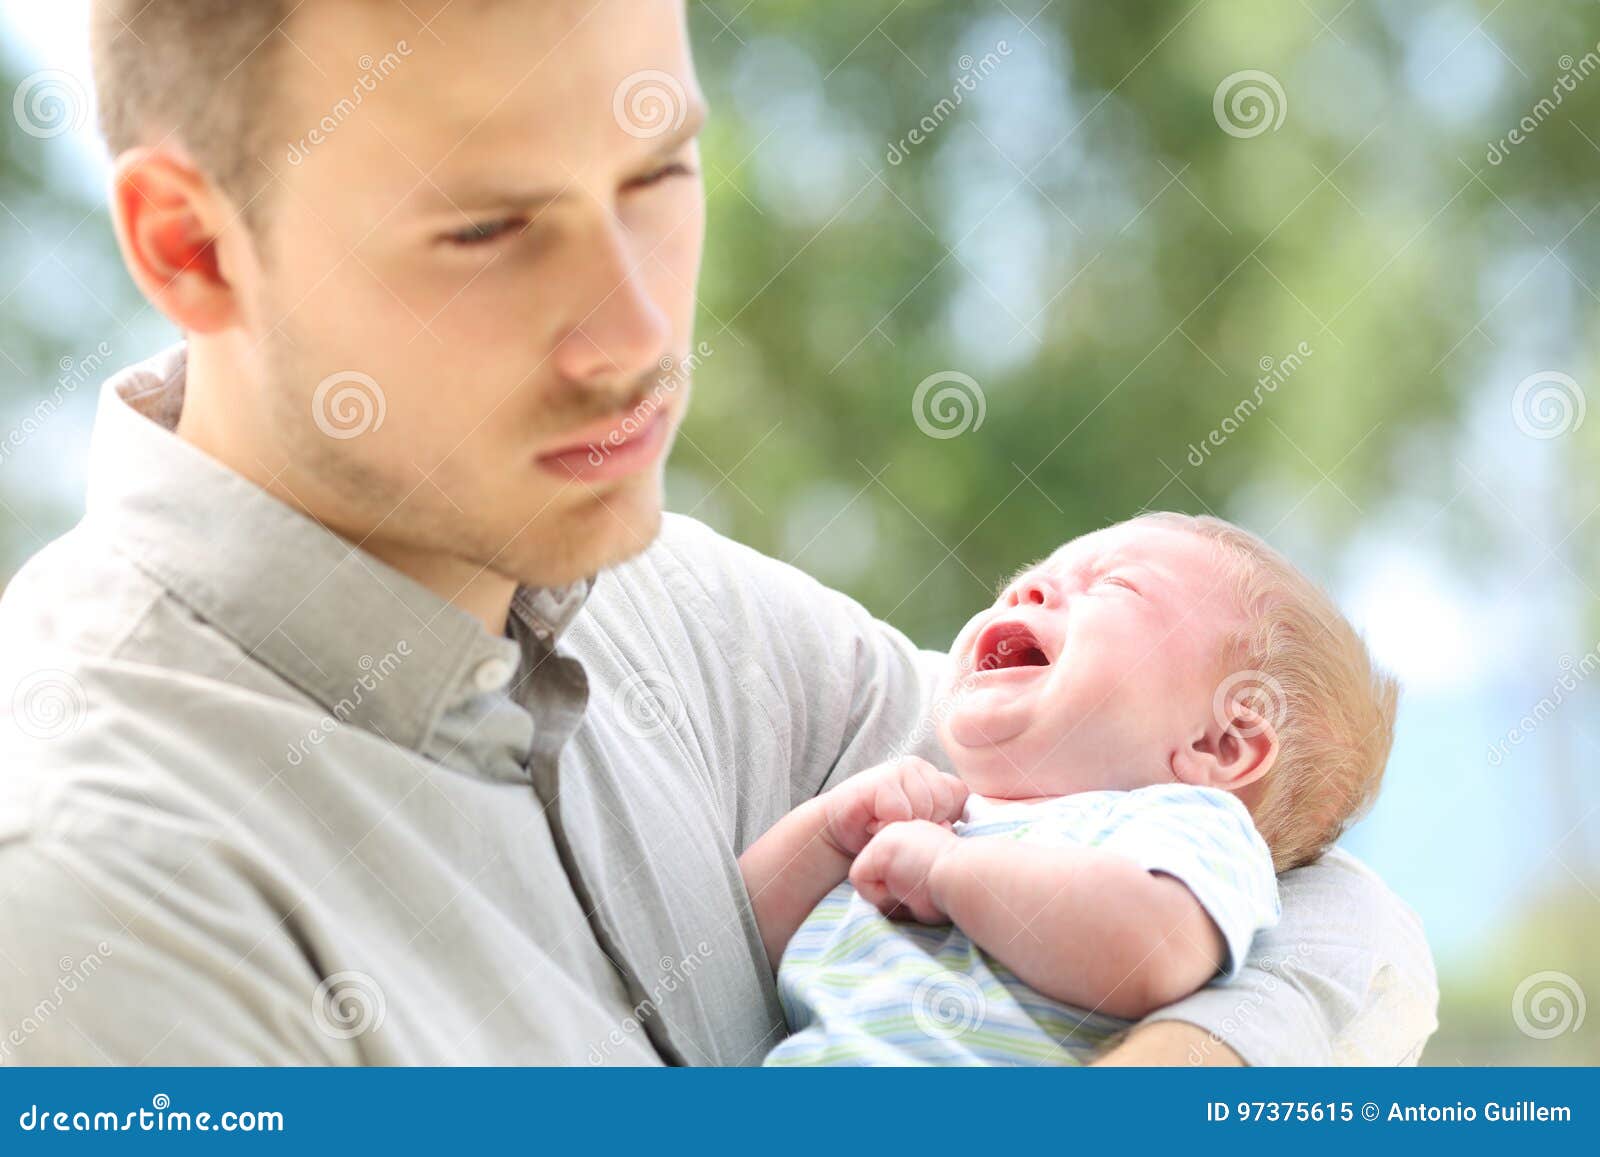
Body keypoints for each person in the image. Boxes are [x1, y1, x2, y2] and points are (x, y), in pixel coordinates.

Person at [0, 0, 1436, 1065]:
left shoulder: (665, 606)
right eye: (491, 230)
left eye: (657, 177)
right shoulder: (91, 894)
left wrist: (1206, 1058)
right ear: (191, 247)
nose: (634, 341)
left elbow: (1298, 870)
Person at [743, 513, 1396, 1064]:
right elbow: (743, 945)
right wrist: (828, 833)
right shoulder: (936, 813)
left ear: (1219, 744)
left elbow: (1154, 949)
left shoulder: (1179, 826)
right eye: (1025, 579)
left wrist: (950, 871)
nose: (1026, 590)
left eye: (1110, 584)